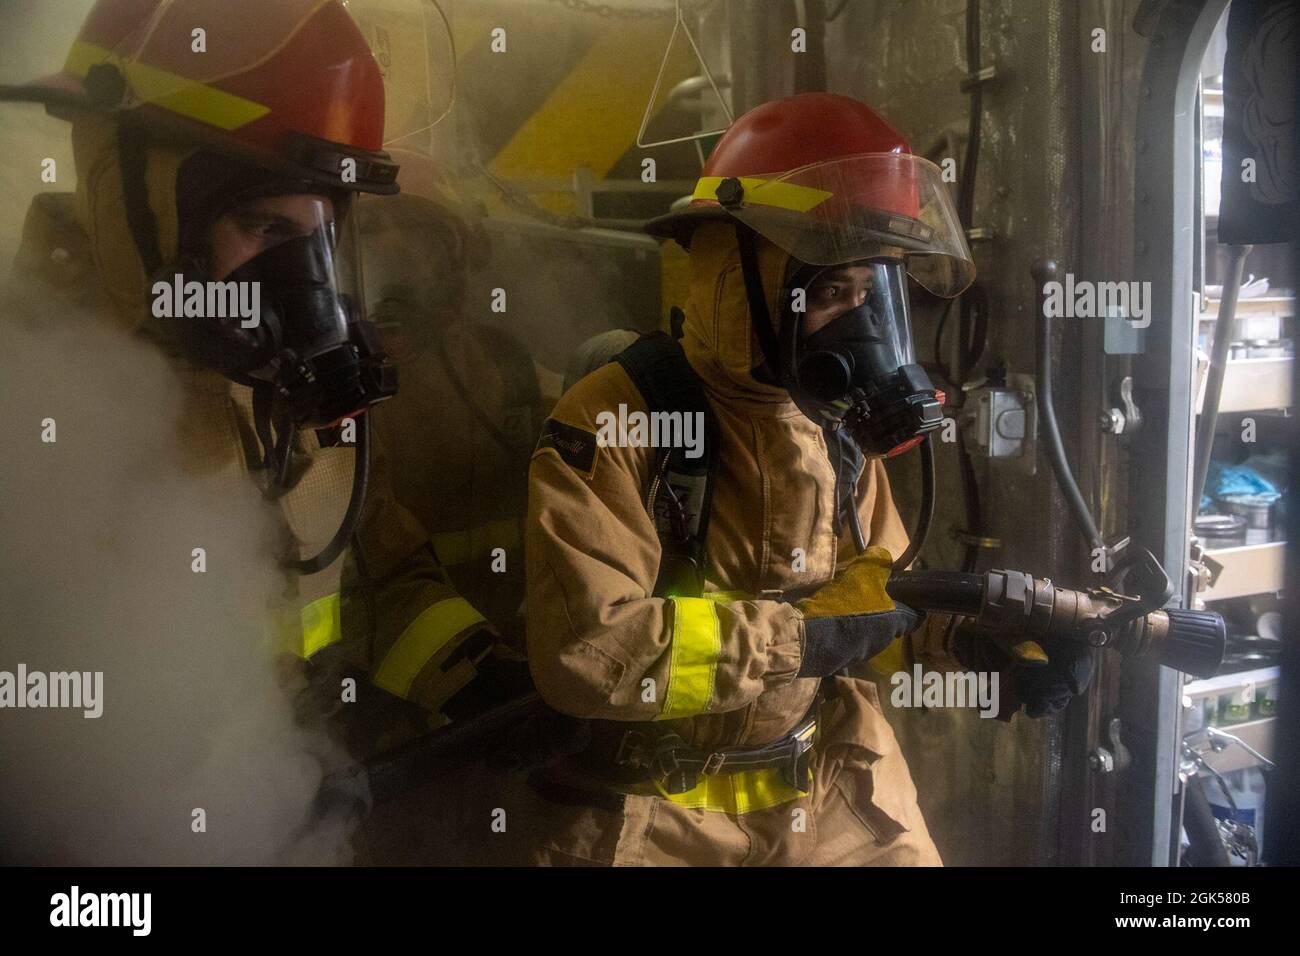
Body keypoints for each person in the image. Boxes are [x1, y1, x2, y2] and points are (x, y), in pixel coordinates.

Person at [524, 91, 1091, 866]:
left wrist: (971, 646)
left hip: (832, 789)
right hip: (655, 815)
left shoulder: (835, 426)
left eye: (874, 296)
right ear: (737, 282)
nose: (862, 328)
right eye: (829, 293)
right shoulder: (620, 417)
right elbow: (589, 656)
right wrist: (801, 640)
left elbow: (875, 605)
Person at [1, 0, 510, 772]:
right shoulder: (28, 416)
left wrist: (475, 678)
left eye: (319, 239)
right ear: (136, 199)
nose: (303, 287)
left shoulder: (283, 397)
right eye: (265, 229)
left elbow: (376, 567)